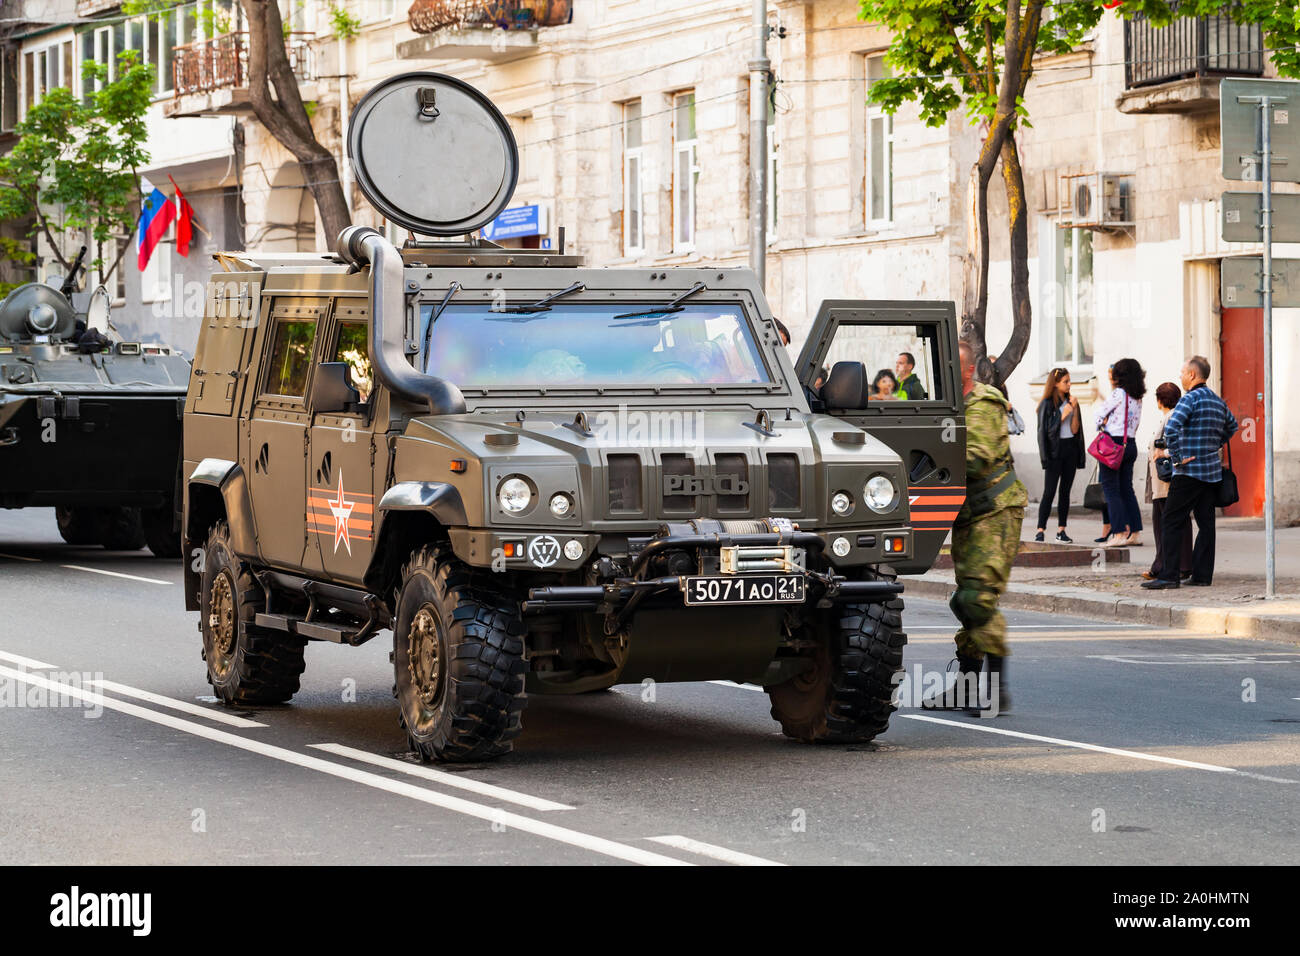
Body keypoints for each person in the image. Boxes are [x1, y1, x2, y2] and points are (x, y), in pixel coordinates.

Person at [926, 339, 1026, 715]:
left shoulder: (982, 404)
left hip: (996, 512)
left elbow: (976, 459)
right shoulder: (950, 407)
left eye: (952, 365)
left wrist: (929, 460)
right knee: (966, 599)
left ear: (967, 369)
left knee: (977, 599)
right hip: (971, 515)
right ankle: (966, 687)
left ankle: (997, 692)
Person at [1142, 356, 1238, 589]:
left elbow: (1172, 427)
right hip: (1211, 473)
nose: (1181, 376)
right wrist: (1213, 445)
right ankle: (1202, 576)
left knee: (1171, 520)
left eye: (1183, 373)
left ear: (1192, 375)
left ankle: (1169, 576)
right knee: (1206, 525)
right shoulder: (1217, 401)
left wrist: (1177, 456)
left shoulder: (1189, 399)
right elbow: (1232, 427)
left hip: (1188, 471)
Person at [1143, 382, 1194, 582]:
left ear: (1160, 400)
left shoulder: (1171, 417)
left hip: (1166, 482)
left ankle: (1169, 566)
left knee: (1167, 525)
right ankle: (1171, 565)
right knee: (1170, 523)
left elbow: (1177, 443)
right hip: (1163, 481)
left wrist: (1162, 453)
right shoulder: (1171, 416)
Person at [1094, 358, 1146, 548]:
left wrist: (1103, 422)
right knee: (1126, 489)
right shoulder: (1137, 397)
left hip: (1113, 445)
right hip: (1130, 444)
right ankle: (1135, 532)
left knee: (1111, 489)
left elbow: (1099, 415)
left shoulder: (1118, 394)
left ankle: (1118, 533)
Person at [1034, 367, 1084, 542]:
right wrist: (1062, 415)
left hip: (1070, 449)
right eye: (1066, 382)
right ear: (1055, 383)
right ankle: (1040, 530)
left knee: (1065, 492)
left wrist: (1074, 410)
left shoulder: (1071, 402)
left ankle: (1061, 530)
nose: (1069, 384)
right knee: (1049, 492)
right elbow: (1044, 432)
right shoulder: (1047, 404)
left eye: (1069, 381)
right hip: (1054, 451)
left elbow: (1075, 429)